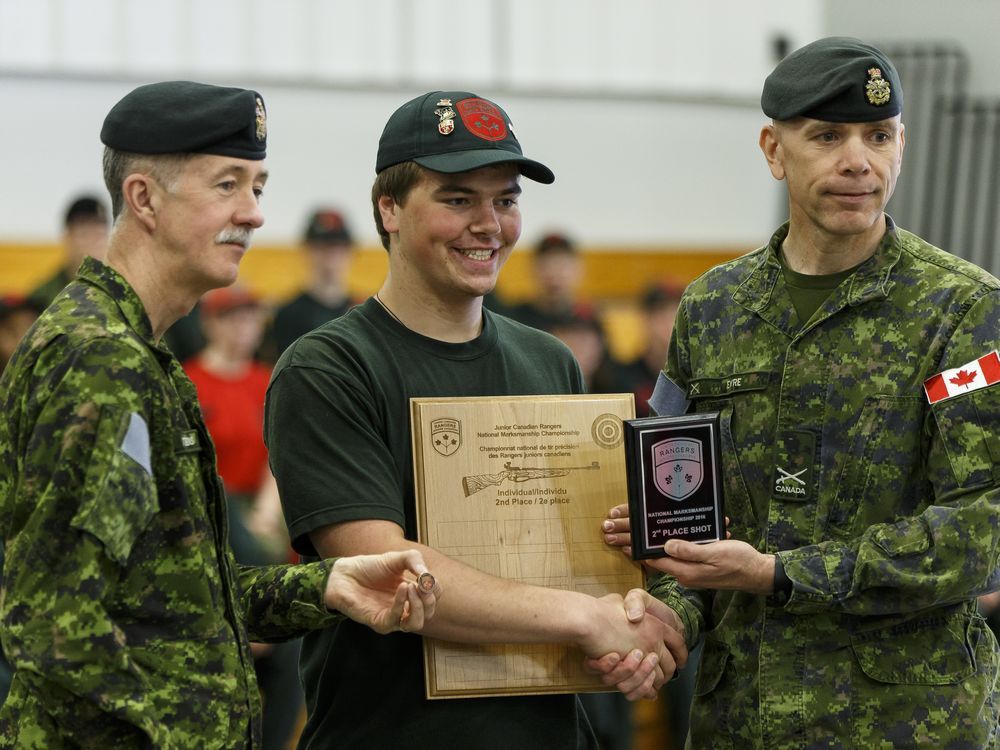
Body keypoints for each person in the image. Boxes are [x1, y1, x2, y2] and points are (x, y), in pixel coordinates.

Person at [0, 80, 439, 748]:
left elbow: (163, 596)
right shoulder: (100, 360)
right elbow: (56, 629)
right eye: (227, 185)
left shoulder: (139, 350)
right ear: (144, 198)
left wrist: (325, 586)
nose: (255, 213)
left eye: (258, 187)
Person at [593, 38, 1000, 748]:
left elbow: (981, 530)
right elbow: (673, 515)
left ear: (902, 145)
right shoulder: (713, 309)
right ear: (774, 150)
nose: (857, 161)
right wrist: (663, 623)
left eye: (879, 136)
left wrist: (781, 574)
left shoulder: (963, 311)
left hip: (906, 723)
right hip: (741, 720)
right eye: (827, 136)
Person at [264, 90, 686, 749]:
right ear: (389, 210)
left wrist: (625, 639)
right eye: (458, 199)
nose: (490, 224)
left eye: (507, 200)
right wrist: (587, 617)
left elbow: (579, 571)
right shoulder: (328, 367)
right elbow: (385, 565)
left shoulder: (550, 362)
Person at [183, 285, 305, 749]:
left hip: (264, 524)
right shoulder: (189, 380)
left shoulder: (269, 381)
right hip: (213, 529)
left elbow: (281, 453)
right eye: (232, 318)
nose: (243, 327)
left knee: (291, 647)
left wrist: (268, 512)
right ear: (211, 323)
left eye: (251, 317)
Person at [265, 207, 358, 360]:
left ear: (350, 252)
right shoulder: (287, 315)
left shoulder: (361, 311)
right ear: (306, 250)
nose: (330, 258)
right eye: (321, 248)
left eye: (337, 248)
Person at [602, 281, 683, 417]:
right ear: (645, 319)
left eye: (677, 315)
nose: (670, 323)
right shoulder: (619, 378)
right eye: (661, 314)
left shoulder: (697, 378)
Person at [28, 195, 110, 308]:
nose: (95, 242)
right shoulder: (44, 296)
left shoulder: (121, 290)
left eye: (100, 233)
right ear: (68, 237)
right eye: (85, 234)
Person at [507, 231, 587, 331]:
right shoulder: (512, 320)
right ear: (533, 269)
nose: (555, 274)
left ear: (578, 271)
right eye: (547, 266)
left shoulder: (586, 320)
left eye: (562, 266)